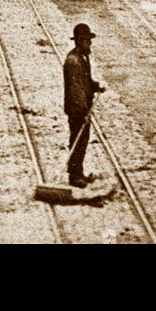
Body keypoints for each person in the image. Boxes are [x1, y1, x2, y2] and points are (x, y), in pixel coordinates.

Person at [63, 23, 104, 188]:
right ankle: (74, 176)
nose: (90, 44)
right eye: (88, 40)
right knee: (77, 142)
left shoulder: (82, 58)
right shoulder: (73, 61)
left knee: (82, 141)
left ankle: (78, 173)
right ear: (80, 41)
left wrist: (95, 86)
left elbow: (84, 82)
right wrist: (83, 111)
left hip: (82, 108)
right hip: (77, 110)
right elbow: (75, 90)